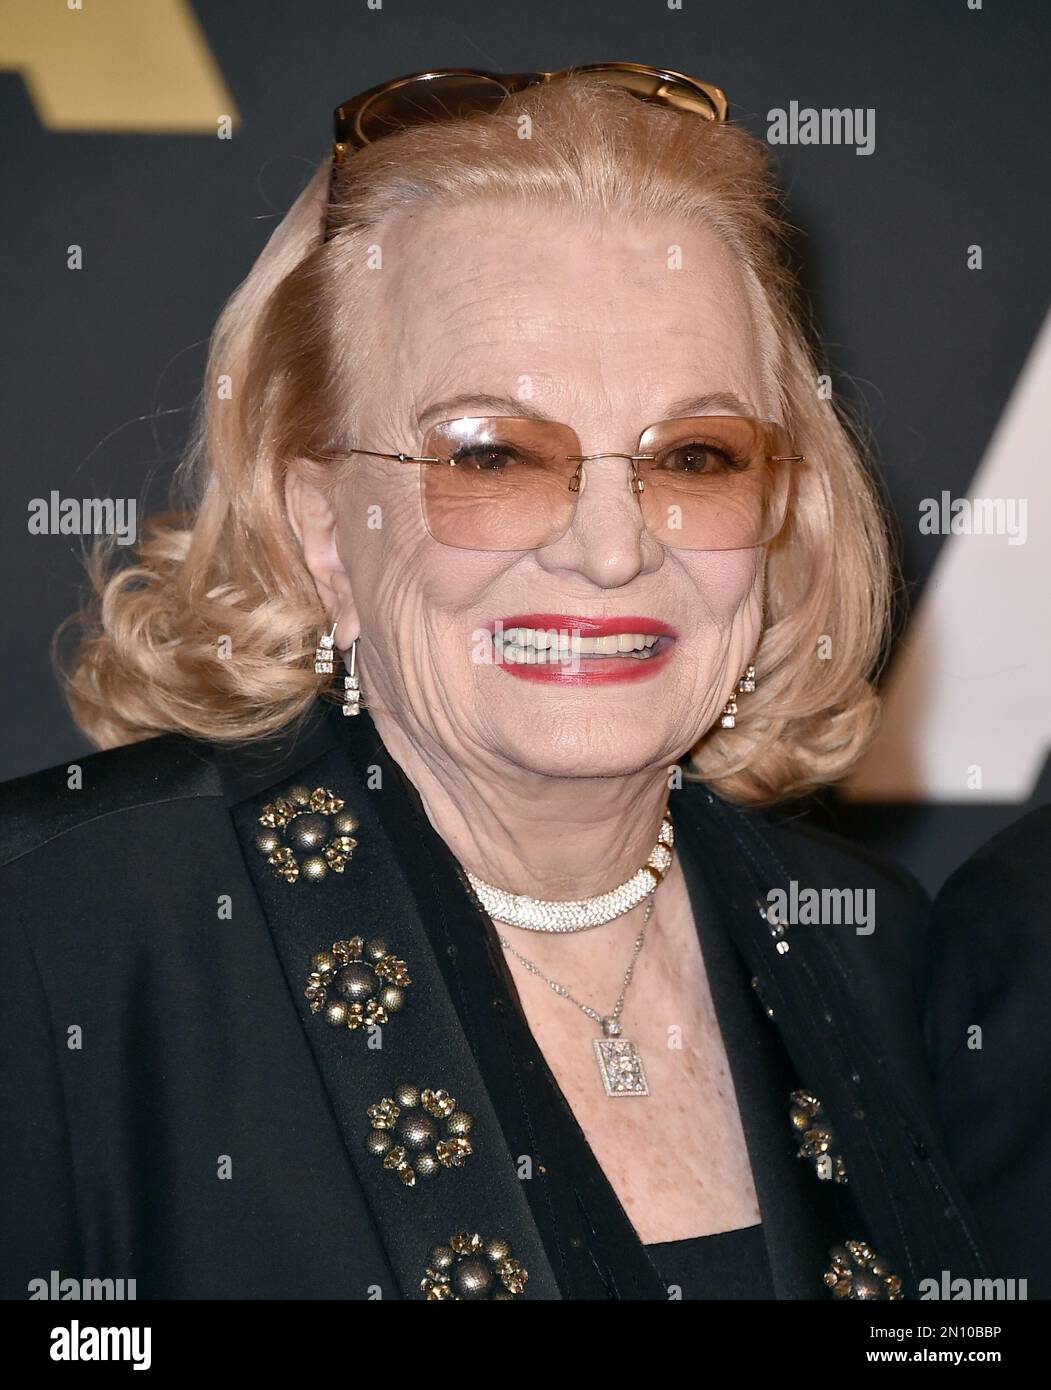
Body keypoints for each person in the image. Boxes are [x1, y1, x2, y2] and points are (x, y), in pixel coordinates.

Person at [0, 64, 987, 1301]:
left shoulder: (879, 956)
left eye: (694, 454)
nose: (611, 546)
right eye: (493, 455)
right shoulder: (59, 934)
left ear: (780, 512)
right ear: (320, 525)